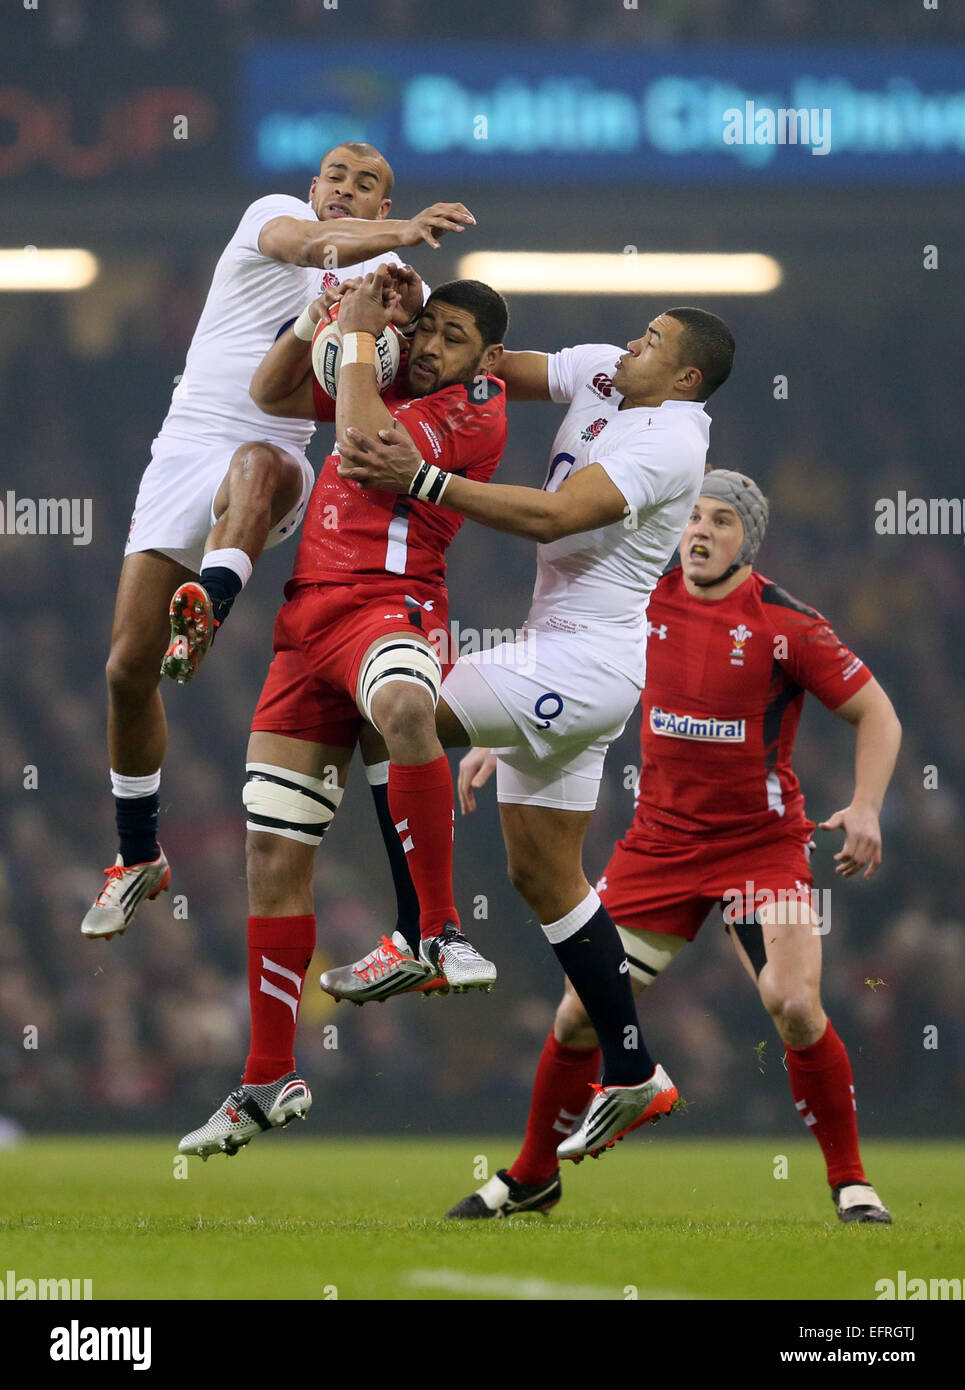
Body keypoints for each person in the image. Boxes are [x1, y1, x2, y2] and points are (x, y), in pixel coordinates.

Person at [322, 307, 736, 1161]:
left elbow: (553, 518)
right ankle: (631, 1068)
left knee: (393, 703)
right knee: (542, 873)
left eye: (651, 343)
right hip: (561, 656)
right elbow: (489, 364)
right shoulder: (602, 373)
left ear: (685, 378)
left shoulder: (671, 442)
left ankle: (421, 932)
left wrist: (421, 479)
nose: (630, 346)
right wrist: (403, 326)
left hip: (581, 665)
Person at [444, 471, 900, 1223]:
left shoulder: (786, 623)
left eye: (720, 521)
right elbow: (555, 659)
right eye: (691, 517)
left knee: (792, 1004)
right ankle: (531, 1177)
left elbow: (876, 712)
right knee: (575, 1021)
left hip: (760, 847)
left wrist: (866, 806)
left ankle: (851, 1182)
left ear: (745, 538)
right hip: (658, 847)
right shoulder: (637, 600)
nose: (699, 531)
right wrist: (504, 730)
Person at [81, 140, 474, 941]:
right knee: (126, 666)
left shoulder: (400, 290)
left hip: (277, 455)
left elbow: (395, 387)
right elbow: (312, 249)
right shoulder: (276, 217)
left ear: (378, 200)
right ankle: (136, 855)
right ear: (314, 187)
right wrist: (403, 232)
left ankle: (215, 598)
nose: (346, 191)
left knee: (259, 463)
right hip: (186, 445)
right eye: (337, 177)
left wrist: (395, 325)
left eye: (367, 186)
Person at [178, 270, 510, 1159]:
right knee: (270, 855)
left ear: (487, 358)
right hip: (303, 623)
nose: (431, 344)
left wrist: (362, 333)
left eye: (451, 335)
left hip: (389, 604)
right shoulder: (391, 369)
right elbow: (271, 389)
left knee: (405, 702)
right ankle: (266, 1078)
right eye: (427, 327)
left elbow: (363, 443)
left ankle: (435, 933)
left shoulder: (478, 407)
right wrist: (326, 314)